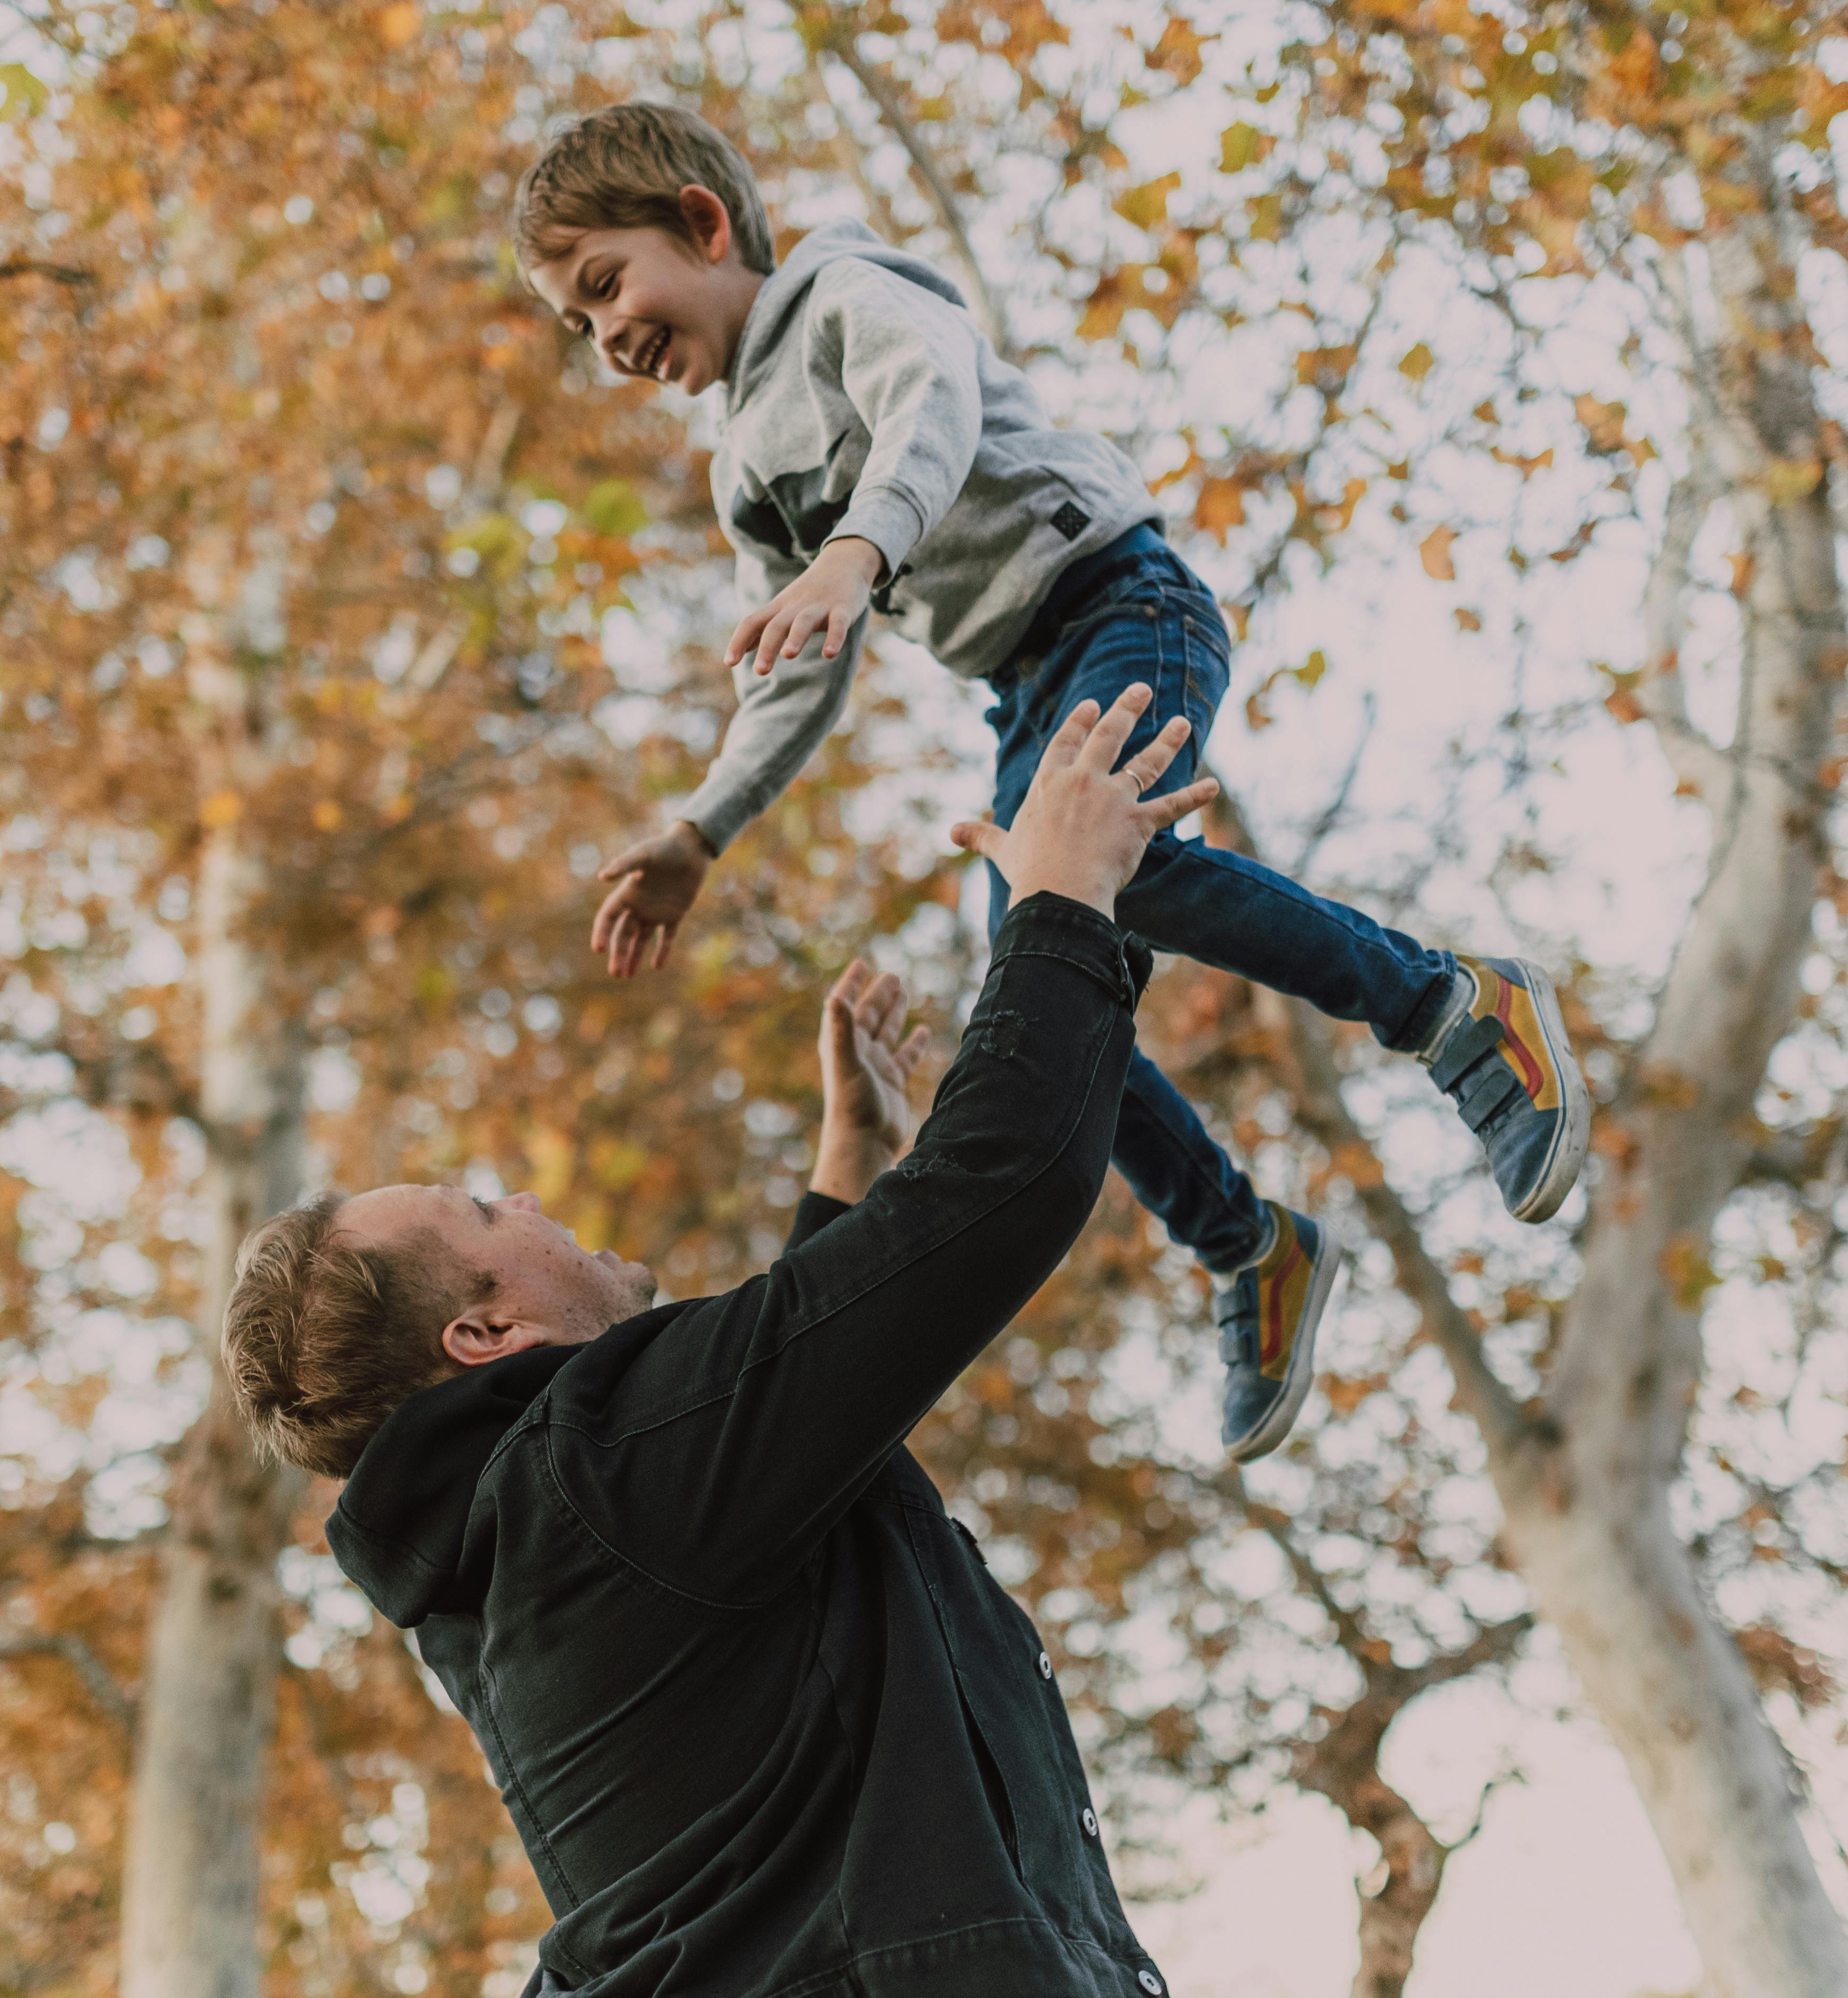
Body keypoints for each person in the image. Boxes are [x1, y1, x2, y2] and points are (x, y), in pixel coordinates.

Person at [513, 102, 1589, 1462]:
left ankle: (1449, 1004)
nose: (604, 334)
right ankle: (1245, 1243)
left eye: (605, 284)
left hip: (1118, 605)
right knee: (1041, 978)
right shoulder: (741, 469)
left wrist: (858, 551)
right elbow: (790, 672)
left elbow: (934, 404)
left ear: (702, 223)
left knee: (1103, 877)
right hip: (1024, 692)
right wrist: (697, 830)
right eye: (573, 321)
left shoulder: (847, 297)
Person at [224, 684, 1203, 1997]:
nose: (518, 1195)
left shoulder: (551, 1539)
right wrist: (1062, 904)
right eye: (477, 1210)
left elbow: (778, 1459)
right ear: (484, 1331)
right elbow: (992, 1195)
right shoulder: (594, 1478)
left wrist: (848, 1171)